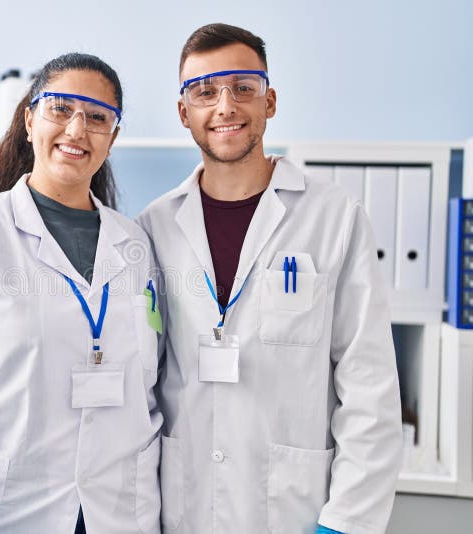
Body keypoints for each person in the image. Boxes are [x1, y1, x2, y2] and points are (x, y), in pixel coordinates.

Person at [137, 23, 402, 534]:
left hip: (293, 510)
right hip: (183, 507)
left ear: (270, 101)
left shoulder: (335, 217)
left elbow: (369, 386)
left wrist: (347, 521)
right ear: (183, 112)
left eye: (243, 87)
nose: (225, 105)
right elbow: (144, 379)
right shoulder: (153, 226)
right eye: (204, 91)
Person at [0, 52, 163, 534]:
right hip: (9, 512)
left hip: (120, 511)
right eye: (61, 108)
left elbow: (151, 387)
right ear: (29, 119)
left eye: (97, 117)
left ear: (113, 136)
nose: (77, 130)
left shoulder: (136, 244)